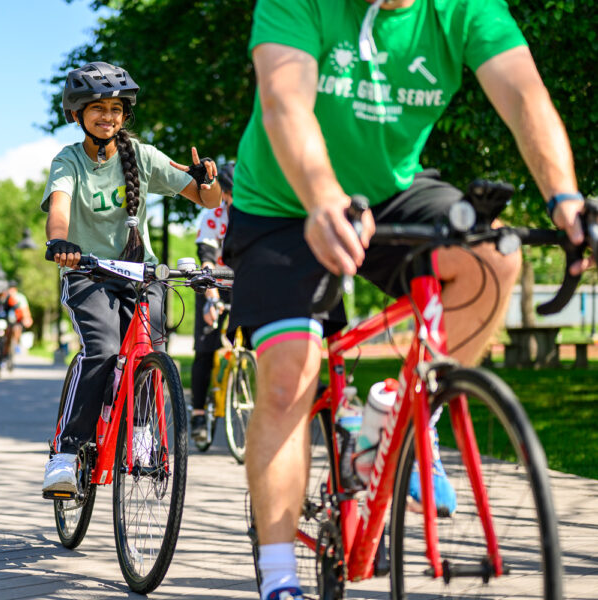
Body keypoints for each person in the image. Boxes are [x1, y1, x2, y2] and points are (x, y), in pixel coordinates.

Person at [224, 1, 587, 598]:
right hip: (285, 200)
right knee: (291, 375)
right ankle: (280, 574)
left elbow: (525, 97)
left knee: (493, 256)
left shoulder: (465, 8)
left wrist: (565, 199)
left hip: (390, 189)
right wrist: (321, 198)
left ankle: (403, 408)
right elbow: (285, 100)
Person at [41, 61, 223, 494]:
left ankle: (142, 438)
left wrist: (207, 180)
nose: (108, 116)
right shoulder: (68, 160)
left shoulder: (140, 155)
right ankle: (66, 453)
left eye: (117, 108)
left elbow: (207, 200)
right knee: (103, 350)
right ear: (77, 113)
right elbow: (60, 209)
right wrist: (61, 244)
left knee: (148, 354)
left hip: (141, 273)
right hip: (87, 272)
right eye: (98, 108)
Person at [190, 162, 235, 443]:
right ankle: (197, 414)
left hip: (243, 280)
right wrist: (211, 294)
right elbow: (207, 253)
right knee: (206, 347)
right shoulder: (214, 213)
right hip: (215, 280)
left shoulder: (256, 208)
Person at [3, 280, 34, 356]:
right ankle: (4, 349)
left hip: (17, 320)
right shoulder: (5, 297)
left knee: (17, 329)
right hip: (6, 320)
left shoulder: (20, 297)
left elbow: (25, 309)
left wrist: (27, 318)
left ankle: (15, 344)